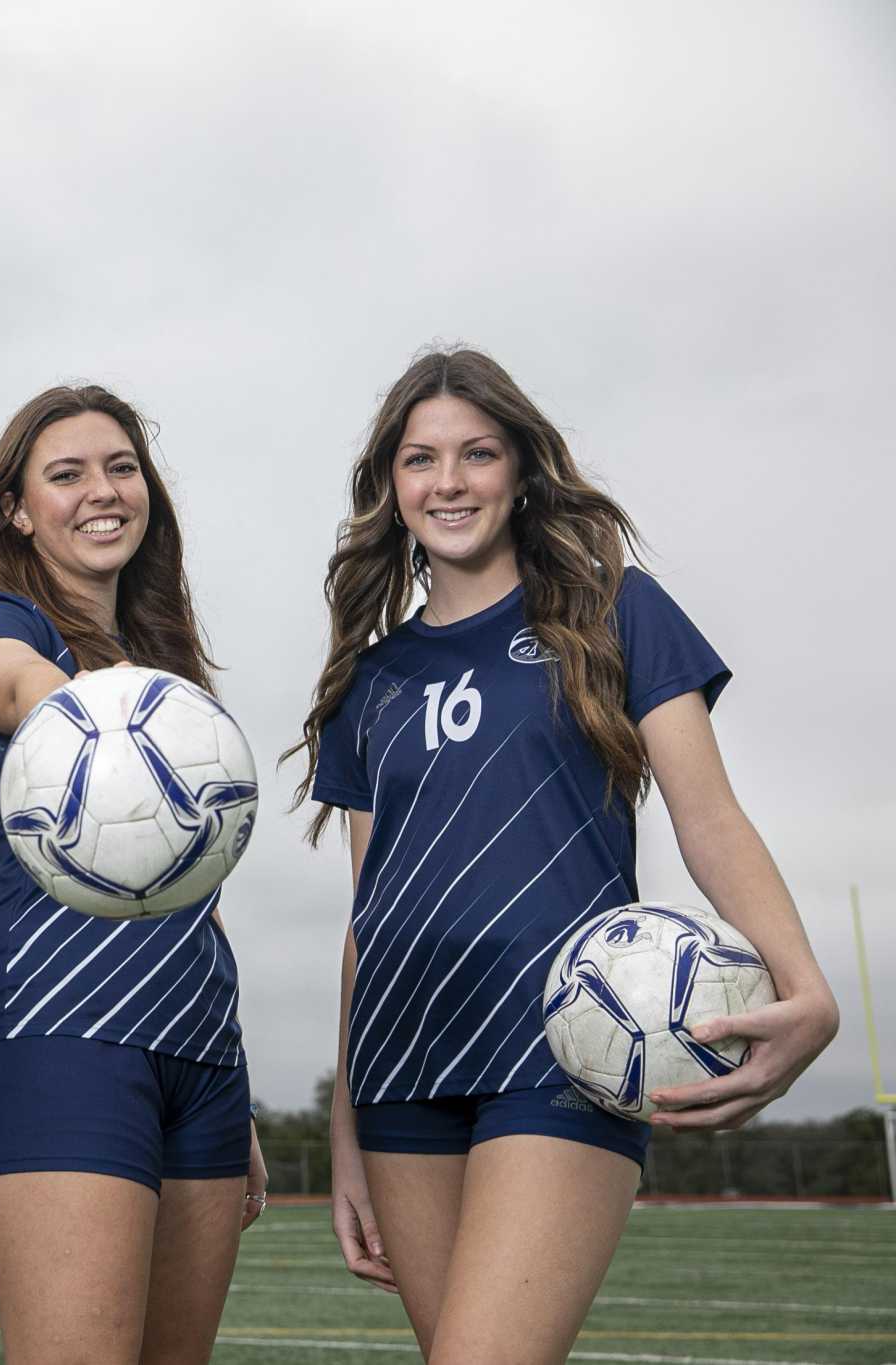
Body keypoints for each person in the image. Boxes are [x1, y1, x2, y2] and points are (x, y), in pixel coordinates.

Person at [287, 348, 840, 1364]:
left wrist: (805, 985)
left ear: (520, 469)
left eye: (476, 453)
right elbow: (368, 913)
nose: (448, 481)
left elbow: (709, 819)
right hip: (401, 1065)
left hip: (563, 1048)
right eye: (419, 459)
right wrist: (346, 1134)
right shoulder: (371, 681)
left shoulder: (613, 611)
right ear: (390, 485)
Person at [0, 384, 266, 1365]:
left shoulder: (164, 667)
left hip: (197, 1053)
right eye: (67, 474)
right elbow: (10, 683)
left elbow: (190, 890)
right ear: (16, 509)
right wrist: (82, 708)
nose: (103, 490)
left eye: (121, 467)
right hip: (60, 1036)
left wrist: (232, 1076)